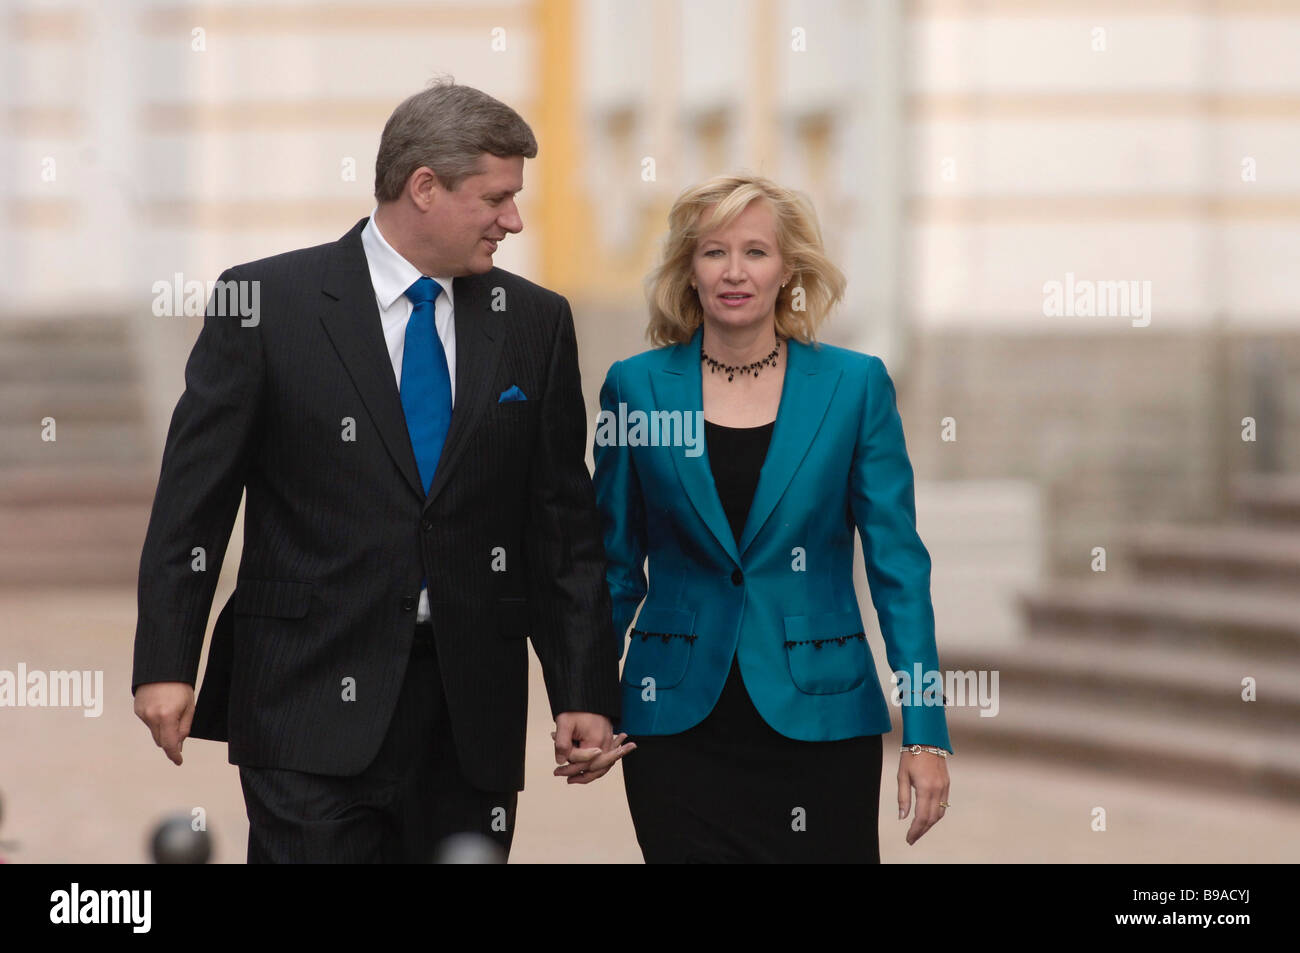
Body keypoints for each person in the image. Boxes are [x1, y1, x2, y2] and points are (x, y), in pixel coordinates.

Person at [132, 78, 631, 864]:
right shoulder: (266, 302)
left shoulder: (536, 322)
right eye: (496, 197)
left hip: (468, 713)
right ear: (424, 187)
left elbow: (562, 528)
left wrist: (584, 691)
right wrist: (165, 662)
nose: (515, 219)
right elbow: (192, 504)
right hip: (304, 694)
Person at [592, 173, 952, 863]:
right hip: (675, 723)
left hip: (821, 721)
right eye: (713, 252)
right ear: (687, 270)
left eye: (755, 252)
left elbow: (898, 568)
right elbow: (613, 564)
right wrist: (587, 696)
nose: (734, 272)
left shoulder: (854, 386)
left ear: (788, 268)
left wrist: (926, 729)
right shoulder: (634, 387)